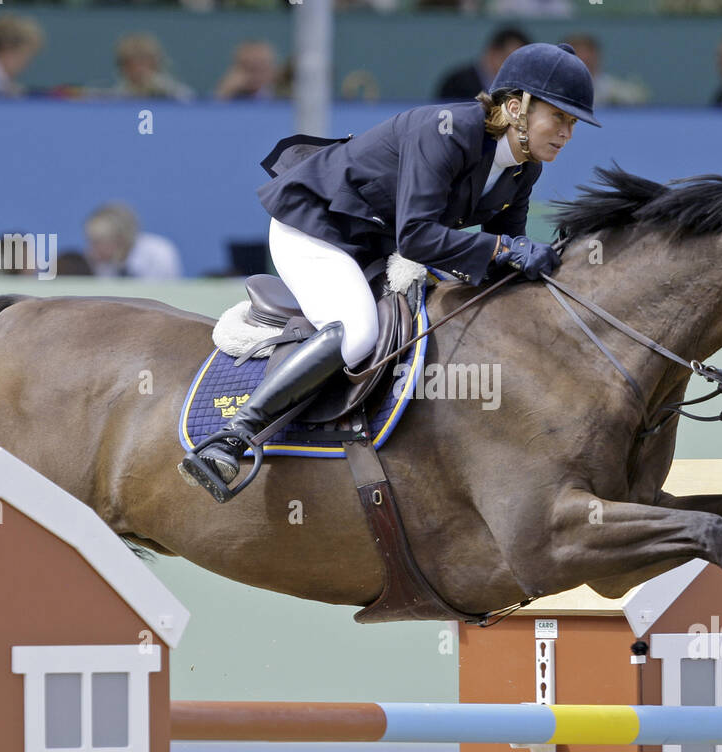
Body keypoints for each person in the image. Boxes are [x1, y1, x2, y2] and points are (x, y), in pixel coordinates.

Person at [180, 42, 600, 501]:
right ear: (517, 108)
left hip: (373, 245)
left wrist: (539, 264)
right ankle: (231, 437)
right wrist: (507, 248)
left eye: (572, 123)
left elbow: (496, 261)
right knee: (357, 334)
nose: (567, 133)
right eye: (558, 117)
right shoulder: (445, 131)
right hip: (318, 229)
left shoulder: (523, 170)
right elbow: (419, 238)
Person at [84, 203, 183, 280]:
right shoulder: (100, 264)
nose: (91, 251)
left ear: (120, 239)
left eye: (97, 243)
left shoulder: (159, 253)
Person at [435, 27, 530, 101]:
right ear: (492, 53)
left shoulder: (523, 91)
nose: (514, 69)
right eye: (509, 60)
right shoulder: (456, 85)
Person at [110, 34, 194, 101]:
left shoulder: (178, 93)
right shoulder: (115, 98)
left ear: (156, 63)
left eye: (144, 61)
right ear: (122, 67)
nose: (139, 69)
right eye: (131, 63)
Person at [214, 41, 280, 100]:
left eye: (262, 67)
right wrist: (224, 92)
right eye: (249, 68)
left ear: (273, 69)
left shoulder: (283, 97)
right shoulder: (225, 96)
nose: (256, 75)